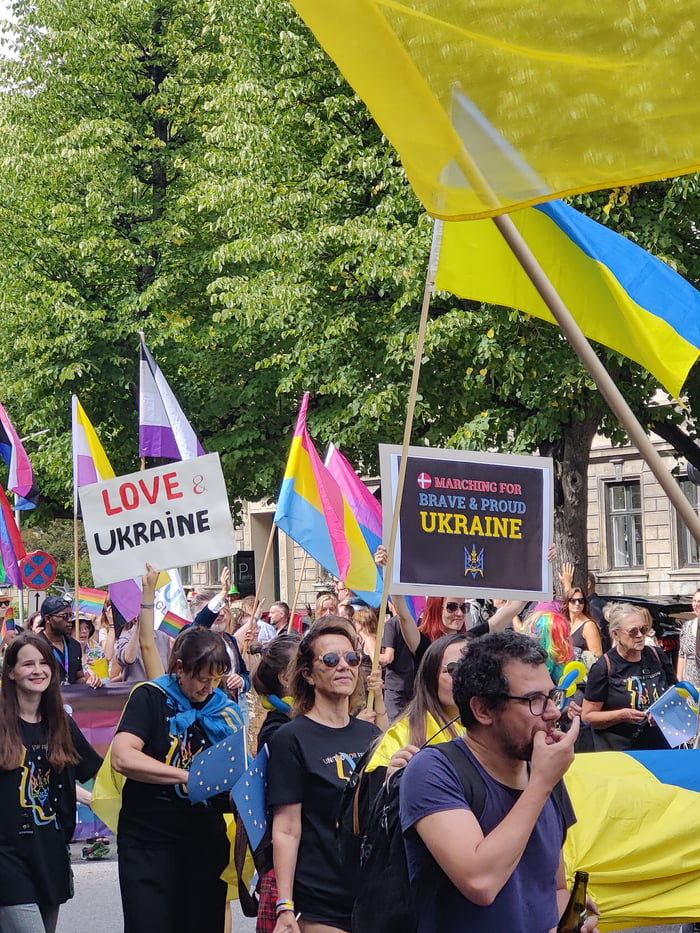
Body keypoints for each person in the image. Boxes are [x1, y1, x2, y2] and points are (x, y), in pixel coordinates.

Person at [399, 630, 599, 933]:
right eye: (534, 700)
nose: (552, 712)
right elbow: (480, 883)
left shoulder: (542, 771)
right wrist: (541, 784)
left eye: (552, 696)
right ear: (482, 710)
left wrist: (572, 918)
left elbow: (553, 887)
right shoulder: (433, 770)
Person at [111, 625, 245, 933]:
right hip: (149, 839)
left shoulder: (224, 710)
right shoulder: (151, 697)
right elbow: (123, 756)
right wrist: (187, 776)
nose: (209, 688)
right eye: (202, 678)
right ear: (180, 668)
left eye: (216, 679)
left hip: (203, 839)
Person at [267, 617, 383, 933]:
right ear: (308, 674)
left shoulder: (371, 734)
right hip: (321, 900)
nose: (343, 666)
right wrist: (285, 905)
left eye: (351, 659)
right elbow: (287, 829)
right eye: (330, 660)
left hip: (372, 896)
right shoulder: (291, 738)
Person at [0, 632, 102, 933]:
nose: (37, 670)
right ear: (11, 672)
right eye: (27, 664)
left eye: (44, 663)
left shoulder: (61, 723)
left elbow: (90, 776)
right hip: (7, 856)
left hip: (49, 852)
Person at [367, 633, 467, 787]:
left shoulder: (494, 727)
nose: (464, 677)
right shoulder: (404, 732)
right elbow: (371, 796)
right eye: (454, 669)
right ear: (430, 677)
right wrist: (390, 779)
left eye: (471, 668)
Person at [582, 602, 677, 751]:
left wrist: (663, 711)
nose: (640, 635)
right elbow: (588, 716)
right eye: (632, 631)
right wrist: (621, 715)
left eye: (644, 629)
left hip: (660, 746)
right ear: (615, 634)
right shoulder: (604, 666)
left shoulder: (656, 655)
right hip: (620, 751)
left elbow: (675, 692)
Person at [39, 595, 101, 688]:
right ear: (48, 619)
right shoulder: (35, 645)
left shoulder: (74, 645)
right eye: (64, 616)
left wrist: (89, 680)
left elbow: (79, 677)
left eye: (70, 615)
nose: (69, 620)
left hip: (71, 701)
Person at [561, 587, 602, 663]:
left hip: (582, 671)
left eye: (581, 601)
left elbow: (597, 655)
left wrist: (576, 653)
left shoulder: (589, 625)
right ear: (567, 603)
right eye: (573, 601)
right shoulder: (563, 622)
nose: (577, 604)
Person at [677, 589, 700, 686]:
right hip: (690, 685)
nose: (695, 605)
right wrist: (679, 679)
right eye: (694, 601)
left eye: (699, 602)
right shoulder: (687, 626)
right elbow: (682, 654)